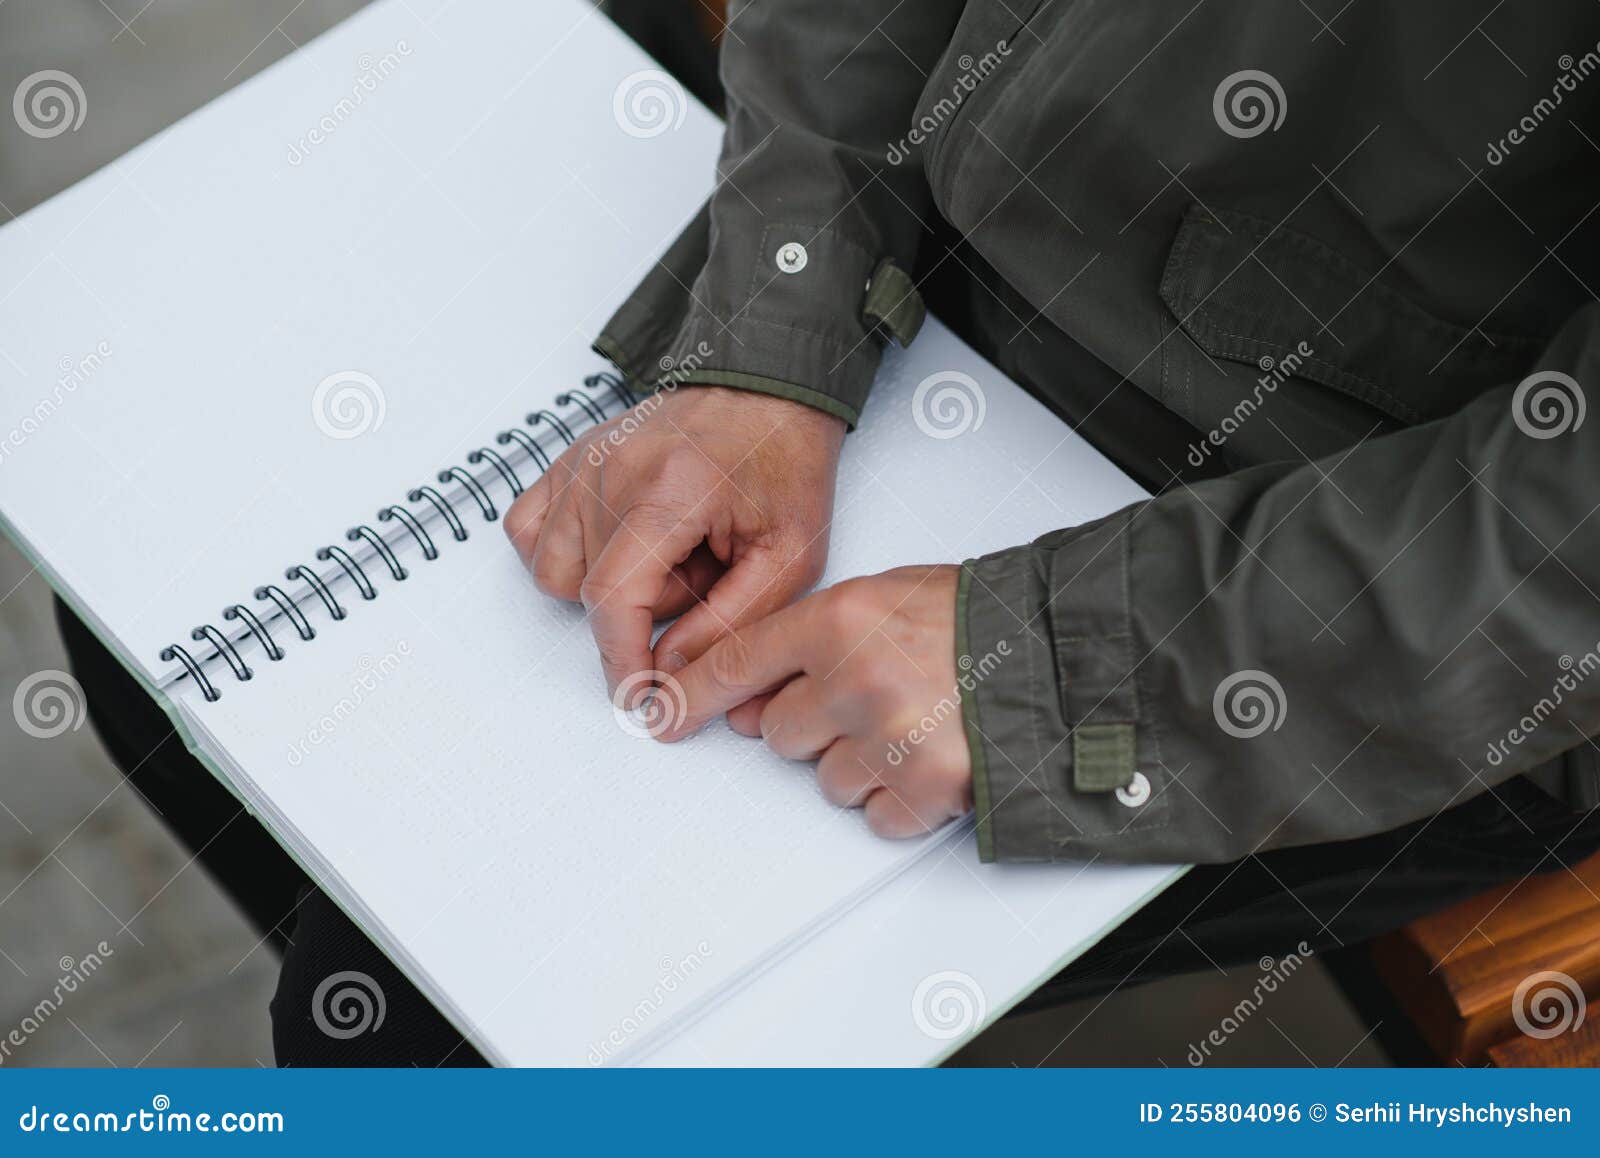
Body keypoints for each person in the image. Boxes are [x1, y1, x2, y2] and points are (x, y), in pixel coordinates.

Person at [65, 1, 1600, 1064]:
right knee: (143, 651)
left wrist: (1047, 675)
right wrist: (769, 327)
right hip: (924, 246)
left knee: (422, 1041)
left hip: (1362, 572)